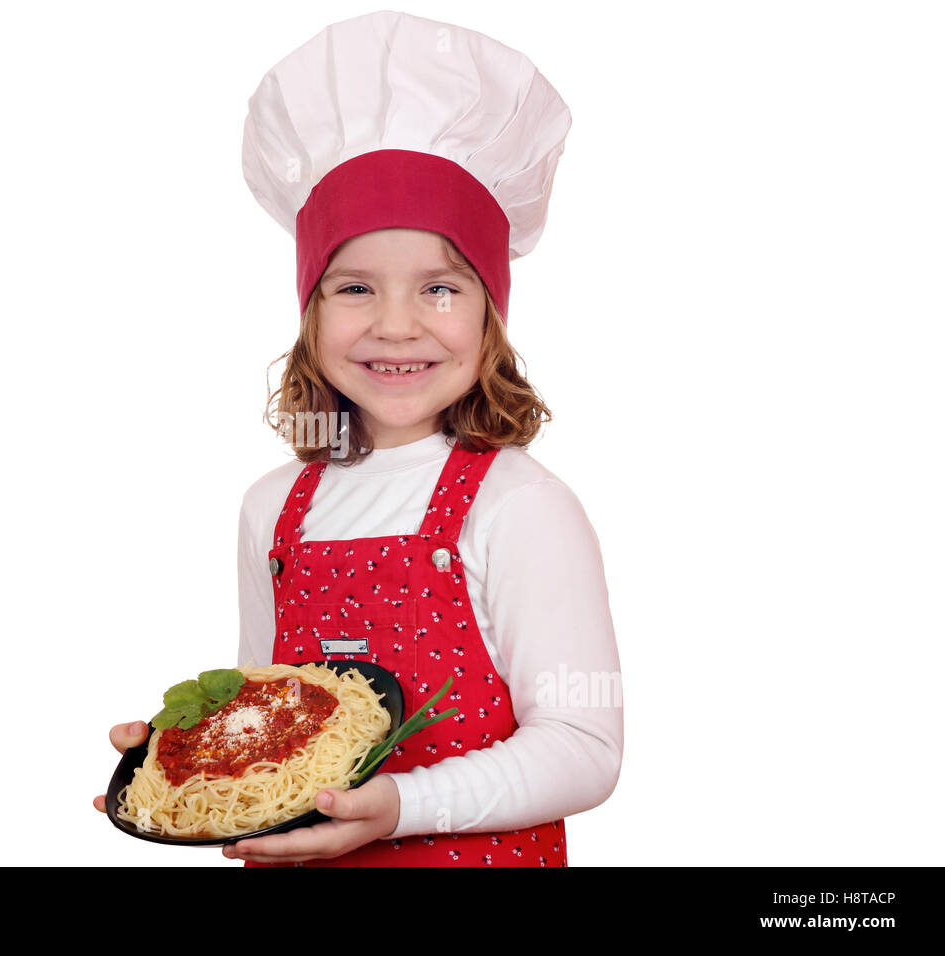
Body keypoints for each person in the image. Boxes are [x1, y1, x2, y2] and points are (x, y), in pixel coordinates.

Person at [93, 10, 622, 866]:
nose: (397, 325)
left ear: (492, 314)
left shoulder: (523, 504)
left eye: (441, 288)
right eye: (354, 287)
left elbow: (586, 748)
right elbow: (268, 705)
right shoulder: (273, 506)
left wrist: (399, 806)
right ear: (309, 310)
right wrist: (188, 755)